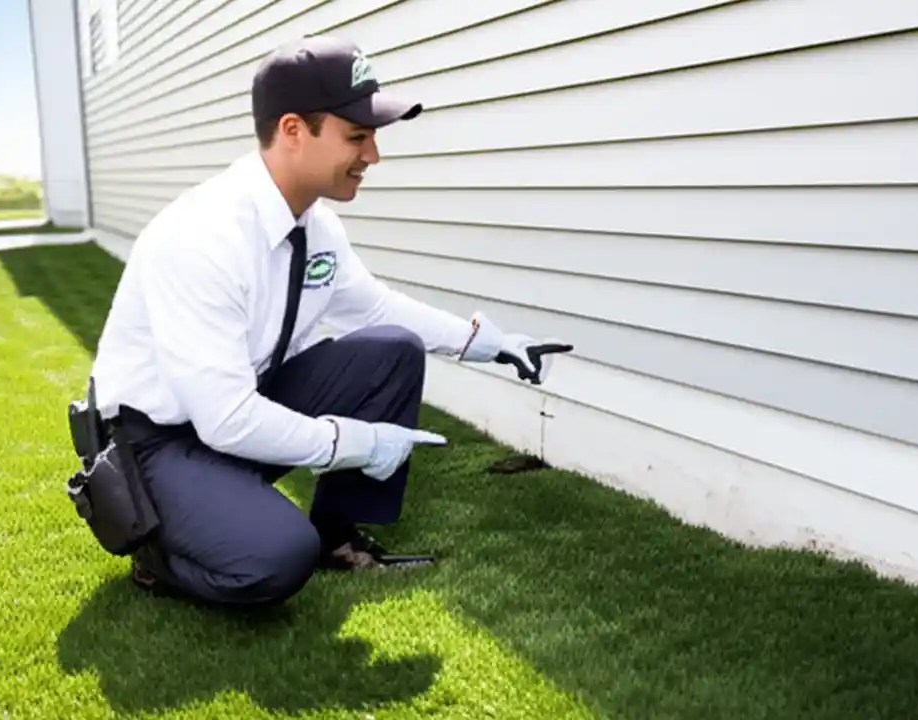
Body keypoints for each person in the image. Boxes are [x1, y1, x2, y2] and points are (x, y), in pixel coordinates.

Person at [86, 34, 571, 607]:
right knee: (276, 559)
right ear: (294, 131)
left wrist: (486, 343)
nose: (373, 156)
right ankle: (156, 553)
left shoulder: (312, 223)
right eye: (357, 137)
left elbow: (376, 307)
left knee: (391, 350)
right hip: (160, 444)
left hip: (236, 408)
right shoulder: (202, 238)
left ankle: (338, 539)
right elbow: (226, 422)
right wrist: (359, 443)